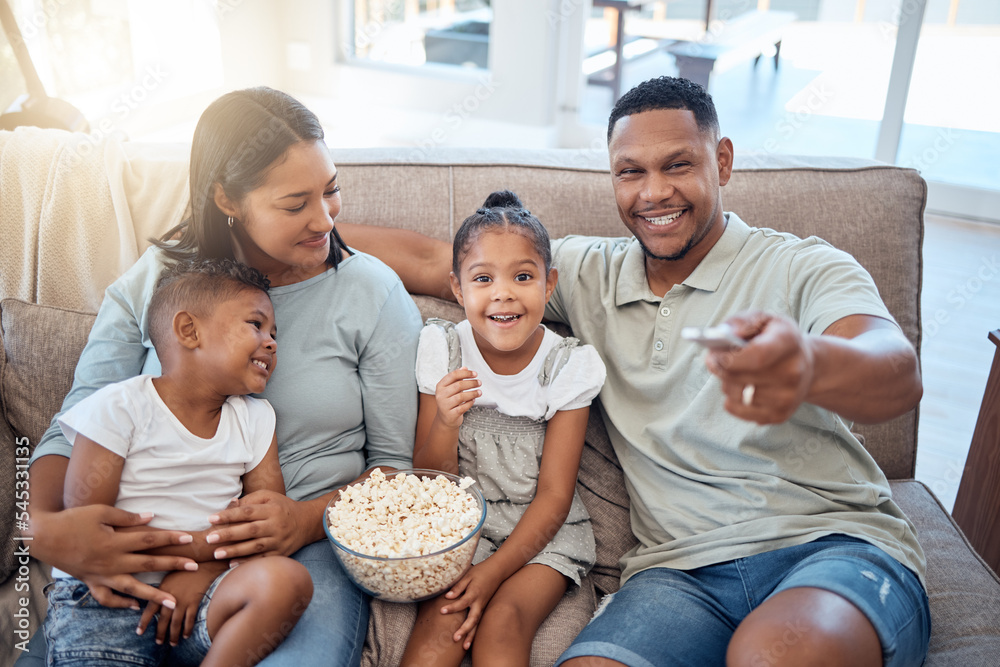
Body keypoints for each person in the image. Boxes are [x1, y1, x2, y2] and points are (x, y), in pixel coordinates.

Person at [339, 76, 931, 667]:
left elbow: (895, 371)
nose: (654, 193)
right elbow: (428, 258)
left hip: (831, 548)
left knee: (771, 657)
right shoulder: (580, 271)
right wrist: (291, 235)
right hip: (677, 576)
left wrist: (807, 364)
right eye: (631, 172)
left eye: (678, 165)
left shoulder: (803, 265)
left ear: (721, 162)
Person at [22, 87, 423, 667]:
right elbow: (71, 425)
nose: (326, 219)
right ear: (227, 198)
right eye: (295, 204)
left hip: (298, 550)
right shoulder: (157, 285)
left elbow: (395, 469)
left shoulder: (371, 292)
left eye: (331, 189)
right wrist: (45, 531)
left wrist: (306, 519)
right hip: (150, 547)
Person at [45, 258, 313, 666]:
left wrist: (201, 572)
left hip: (203, 597)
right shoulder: (120, 406)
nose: (272, 342)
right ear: (189, 330)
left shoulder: (256, 418)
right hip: (108, 599)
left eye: (274, 333)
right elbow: (89, 526)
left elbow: (261, 529)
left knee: (286, 580)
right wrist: (195, 558)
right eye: (255, 325)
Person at [399, 191, 605, 666]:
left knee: (503, 621)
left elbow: (555, 497)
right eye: (483, 278)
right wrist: (447, 422)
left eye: (523, 276)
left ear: (549, 284)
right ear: (458, 288)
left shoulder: (567, 366)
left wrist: (491, 573)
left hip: (544, 533)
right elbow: (432, 480)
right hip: (464, 524)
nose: (503, 293)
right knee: (443, 620)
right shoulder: (443, 349)